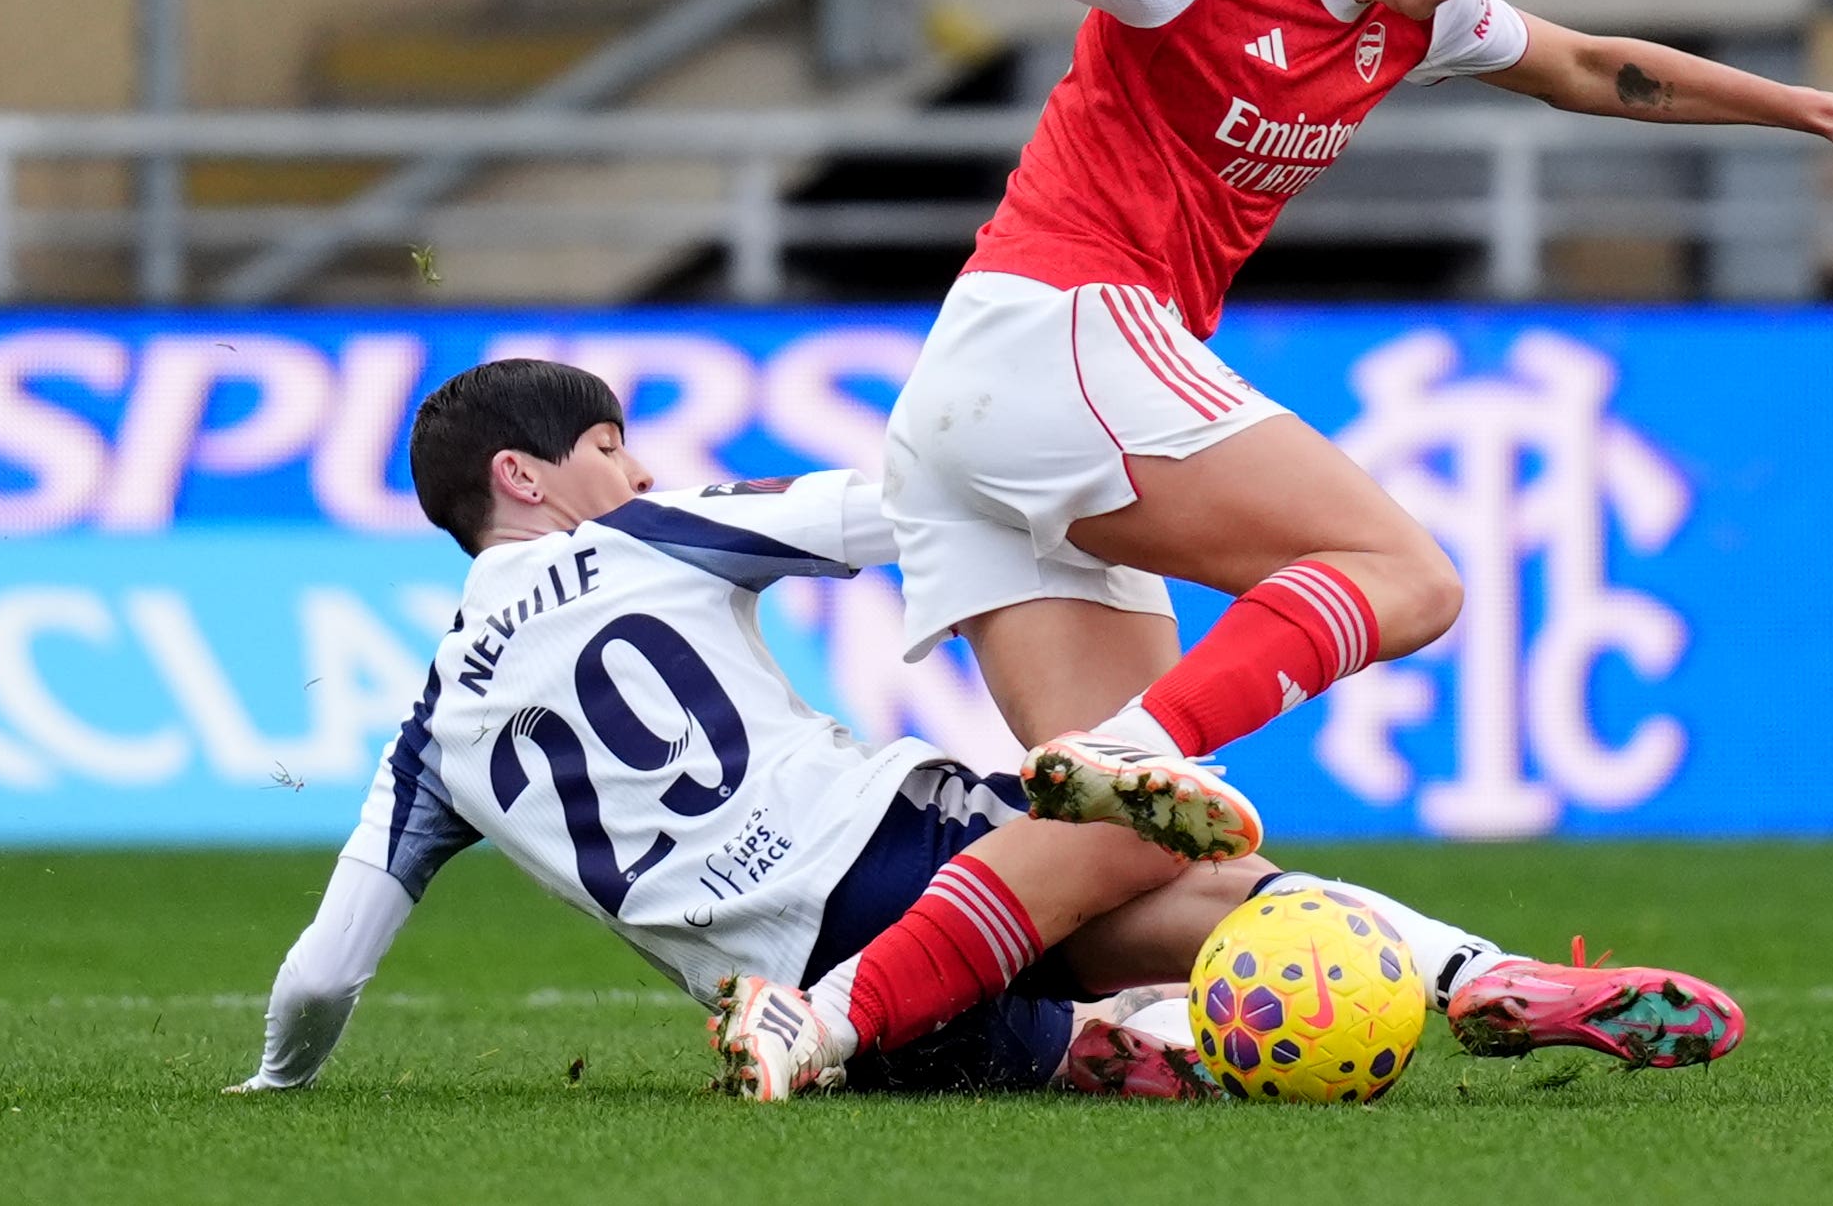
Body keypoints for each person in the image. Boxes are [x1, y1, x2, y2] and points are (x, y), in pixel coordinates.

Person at [900, 0, 1833, 862]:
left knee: (1127, 855)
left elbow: (1588, 65)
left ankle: (883, 967)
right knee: (1407, 576)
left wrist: (1810, 109)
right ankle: (1136, 743)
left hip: (997, 405)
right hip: (1058, 330)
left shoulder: (1413, 14)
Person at [227, 359, 1745, 1101]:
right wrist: (1098, 493)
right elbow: (894, 508)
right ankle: (1479, 973)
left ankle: (1105, 1041)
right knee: (1174, 862)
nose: (636, 467)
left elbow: (322, 971)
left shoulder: (428, 733)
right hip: (891, 850)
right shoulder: (650, 531)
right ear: (525, 475)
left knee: (1131, 1026)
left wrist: (276, 1085)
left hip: (775, 968)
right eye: (611, 446)